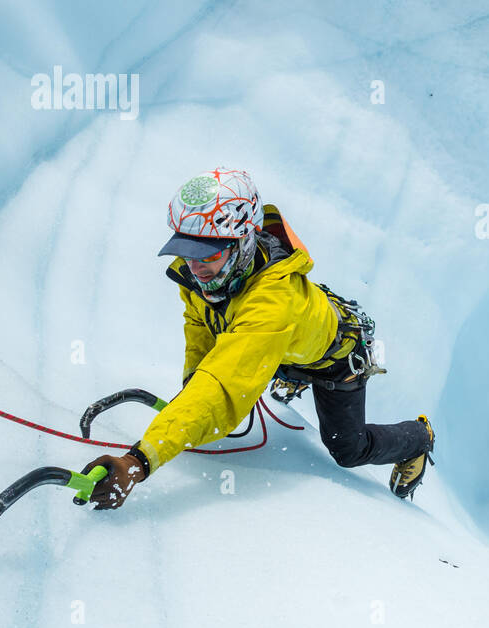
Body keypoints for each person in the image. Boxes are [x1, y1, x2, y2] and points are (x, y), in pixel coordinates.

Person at [79, 168, 434, 509]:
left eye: (208, 255)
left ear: (242, 243)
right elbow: (201, 327)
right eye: (186, 254)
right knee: (257, 363)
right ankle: (288, 379)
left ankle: (418, 439)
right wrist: (191, 391)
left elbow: (221, 385)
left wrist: (139, 462)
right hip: (283, 351)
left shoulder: (272, 304)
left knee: (348, 450)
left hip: (333, 362)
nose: (195, 266)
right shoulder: (203, 279)